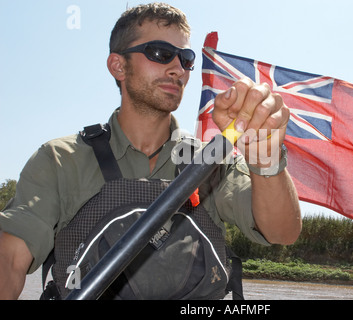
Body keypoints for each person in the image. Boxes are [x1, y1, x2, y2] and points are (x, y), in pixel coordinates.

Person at [0, 2, 301, 300]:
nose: (178, 70)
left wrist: (266, 155)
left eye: (186, 59)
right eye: (161, 53)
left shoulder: (211, 160)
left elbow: (281, 232)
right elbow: (11, 260)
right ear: (118, 66)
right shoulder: (60, 160)